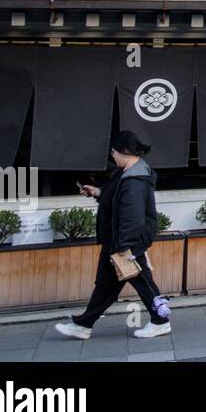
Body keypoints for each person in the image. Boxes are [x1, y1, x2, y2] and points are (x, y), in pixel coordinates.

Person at [54, 130, 172, 340]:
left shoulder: (134, 179)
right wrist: (98, 193)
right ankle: (84, 324)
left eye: (114, 152)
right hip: (118, 240)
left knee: (141, 282)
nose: (112, 156)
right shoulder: (128, 173)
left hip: (125, 243)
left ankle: (160, 321)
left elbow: (132, 216)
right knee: (107, 285)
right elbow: (118, 201)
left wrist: (125, 246)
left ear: (124, 151)